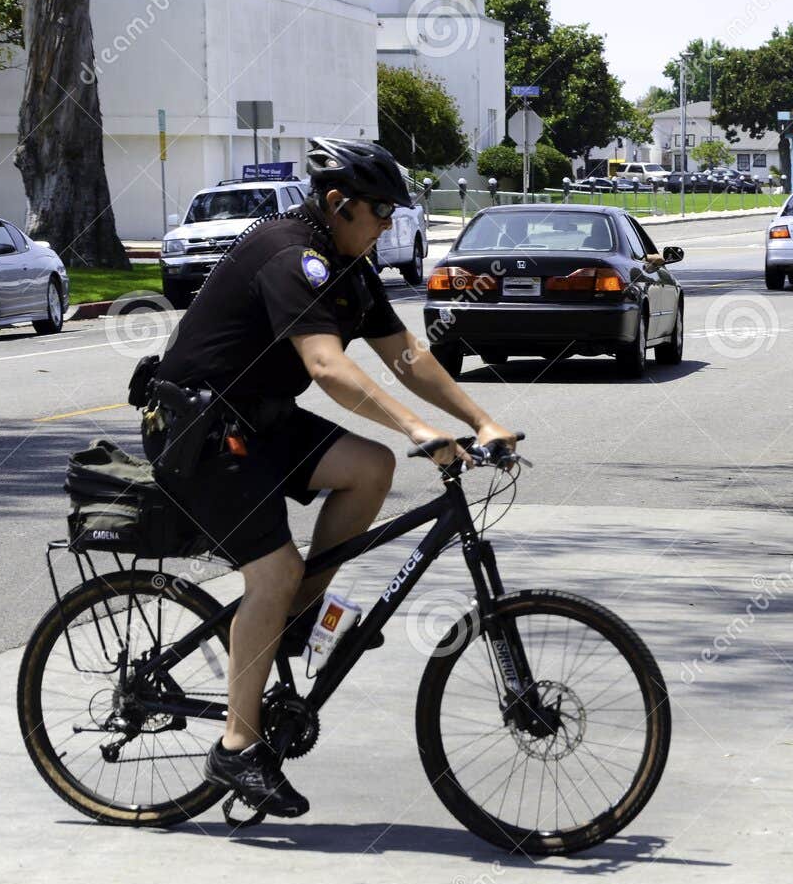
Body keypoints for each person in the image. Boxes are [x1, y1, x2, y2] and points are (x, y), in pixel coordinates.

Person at [143, 137, 515, 819]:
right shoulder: (295, 256)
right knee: (274, 572)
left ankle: (289, 620)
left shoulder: (349, 263)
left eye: (393, 216)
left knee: (369, 469)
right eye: (379, 213)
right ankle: (236, 746)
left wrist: (480, 419)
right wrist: (417, 430)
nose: (386, 227)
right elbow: (327, 369)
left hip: (257, 420)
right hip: (198, 432)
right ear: (339, 203)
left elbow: (405, 356)